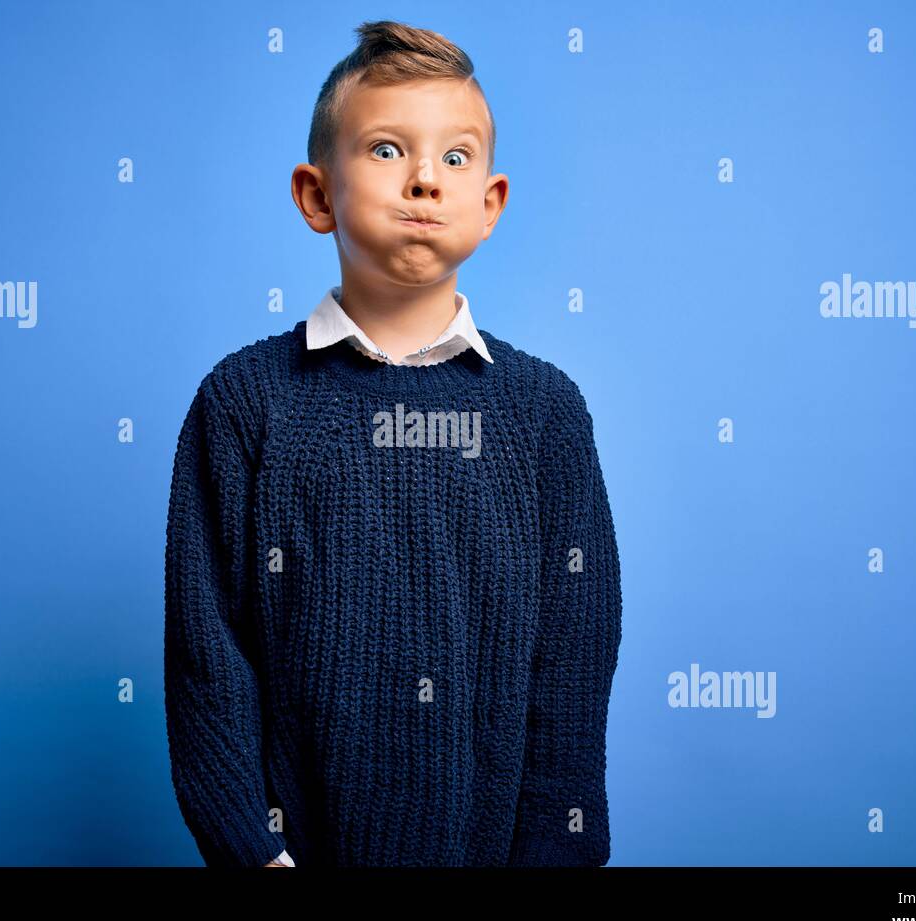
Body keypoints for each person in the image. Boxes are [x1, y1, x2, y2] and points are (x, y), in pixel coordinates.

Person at [164, 19, 622, 867]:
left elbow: (573, 663)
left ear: (490, 206)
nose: (423, 180)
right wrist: (253, 852)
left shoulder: (546, 413)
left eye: (456, 158)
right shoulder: (244, 403)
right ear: (316, 195)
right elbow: (207, 651)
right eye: (385, 149)